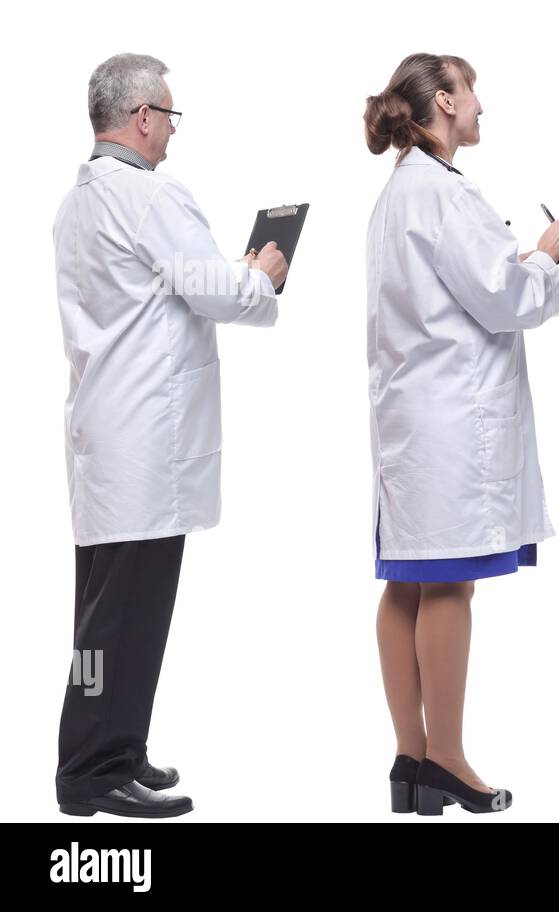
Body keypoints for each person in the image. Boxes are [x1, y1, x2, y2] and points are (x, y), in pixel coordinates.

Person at [53, 53, 288, 817]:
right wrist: (265, 273)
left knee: (109, 617)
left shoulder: (79, 201)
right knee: (119, 618)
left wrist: (229, 271)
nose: (172, 135)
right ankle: (90, 772)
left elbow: (159, 288)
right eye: (170, 118)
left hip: (107, 434)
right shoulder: (146, 196)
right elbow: (217, 294)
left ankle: (115, 749)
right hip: (142, 442)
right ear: (144, 116)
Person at [364, 53, 559, 816]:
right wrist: (546, 260)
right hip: (452, 422)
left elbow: (460, 291)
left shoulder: (398, 195)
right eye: (472, 91)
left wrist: (517, 267)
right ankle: (447, 759)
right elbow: (503, 298)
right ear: (444, 102)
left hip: (411, 420)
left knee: (406, 581)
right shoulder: (444, 194)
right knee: (447, 580)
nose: (482, 104)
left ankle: (410, 760)